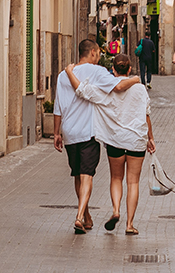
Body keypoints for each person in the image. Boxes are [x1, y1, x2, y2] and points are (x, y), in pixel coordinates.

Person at [53, 39, 140, 234]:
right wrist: (135, 79)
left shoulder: (63, 75)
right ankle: (79, 216)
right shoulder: (97, 71)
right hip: (88, 131)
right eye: (99, 54)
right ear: (92, 52)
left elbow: (58, 105)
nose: (99, 57)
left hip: (69, 132)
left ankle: (86, 216)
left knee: (78, 174)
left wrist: (56, 132)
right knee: (87, 175)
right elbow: (119, 86)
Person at [66, 54, 155, 235]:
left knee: (116, 178)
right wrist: (150, 138)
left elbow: (81, 90)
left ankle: (115, 210)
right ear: (129, 69)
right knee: (133, 182)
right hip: (136, 139)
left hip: (116, 140)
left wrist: (69, 72)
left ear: (113, 70)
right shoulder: (140, 89)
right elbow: (146, 115)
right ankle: (129, 225)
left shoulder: (105, 89)